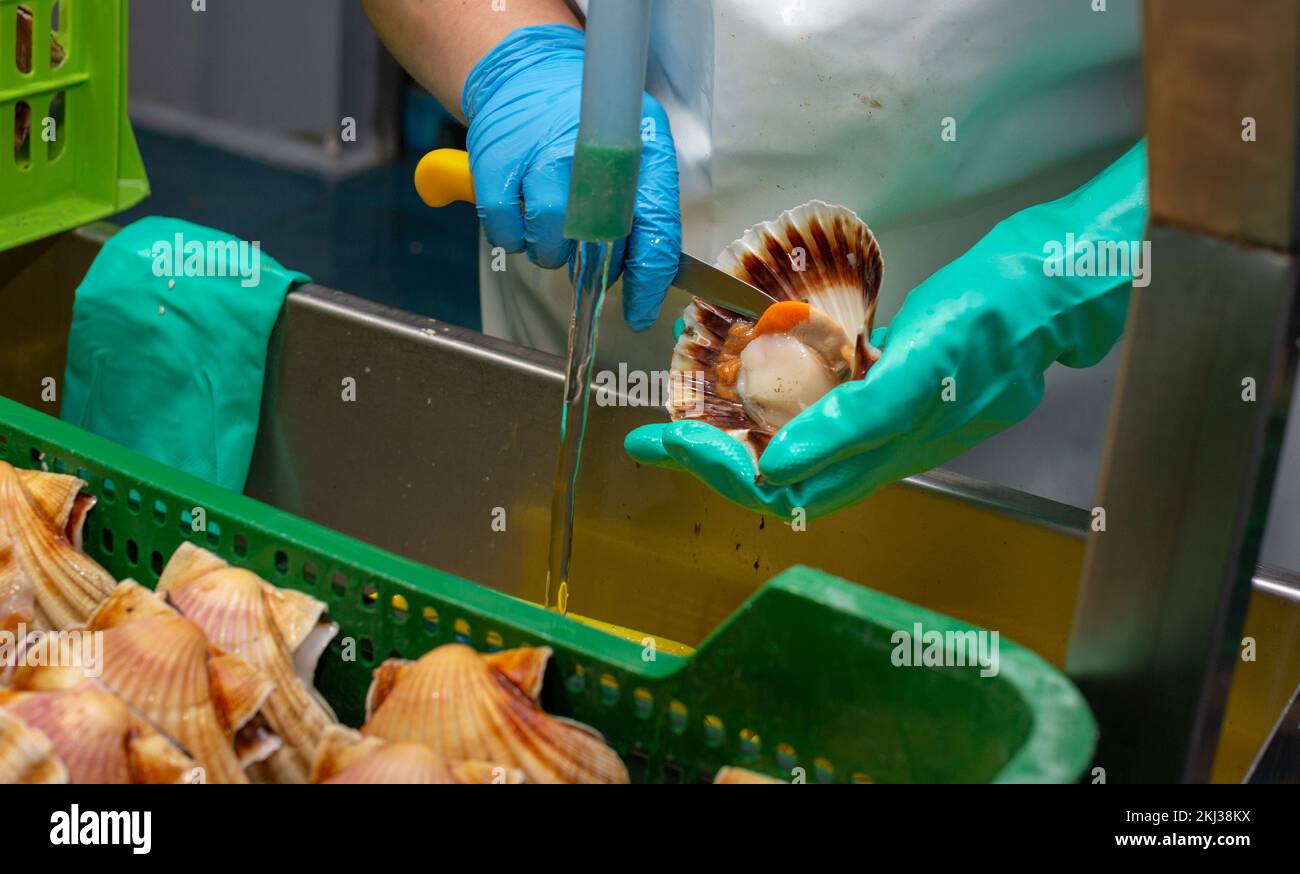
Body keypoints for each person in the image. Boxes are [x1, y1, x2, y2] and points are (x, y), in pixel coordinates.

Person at [362, 0, 1147, 518]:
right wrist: (512, 54)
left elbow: (1265, 98)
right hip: (585, 310)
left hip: (1021, 419)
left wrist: (1080, 263)